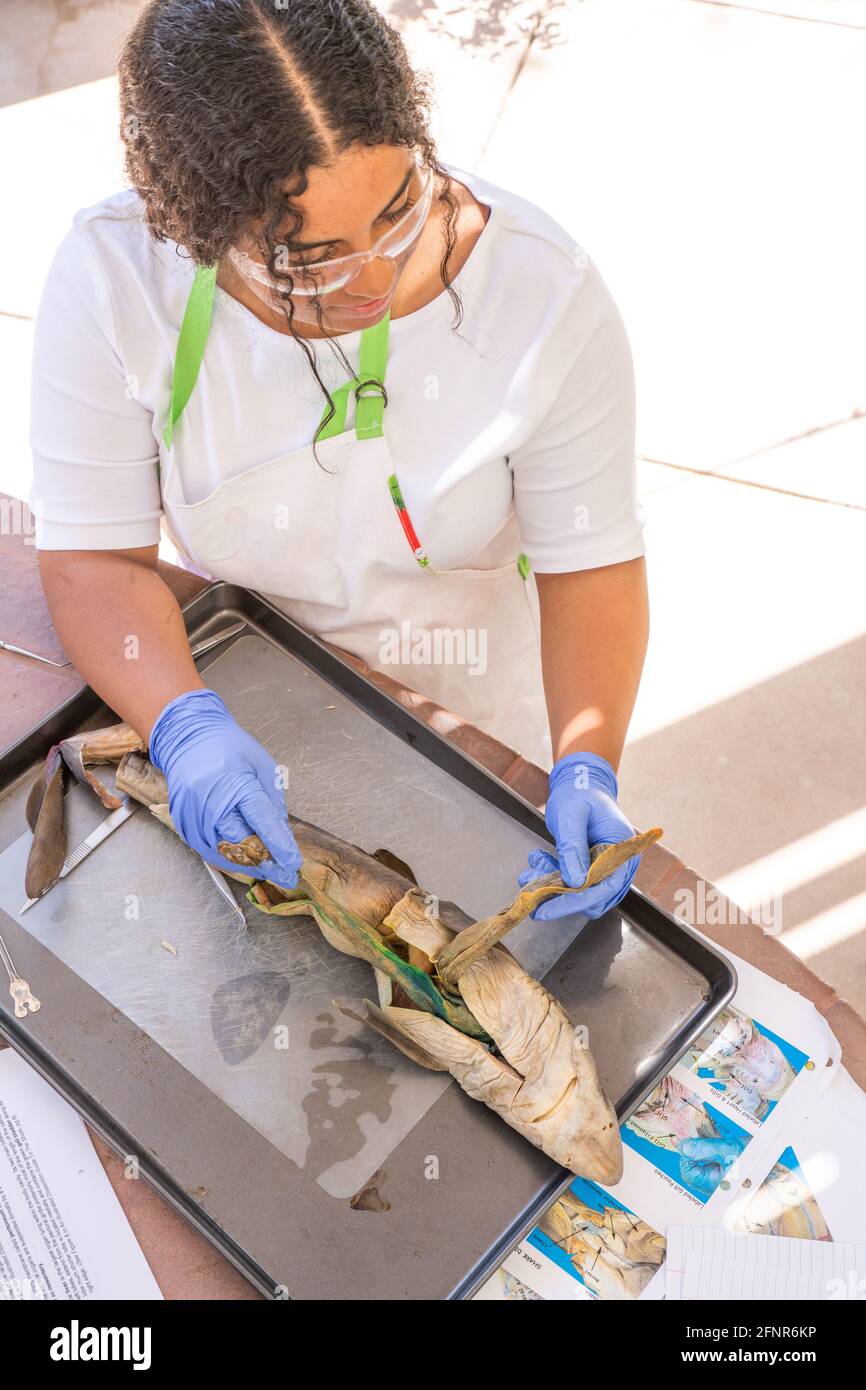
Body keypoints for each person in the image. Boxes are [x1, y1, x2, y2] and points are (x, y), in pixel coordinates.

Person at [30, 0, 649, 917]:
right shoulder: (114, 279)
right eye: (307, 256)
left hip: (476, 708)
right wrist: (183, 724)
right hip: (244, 695)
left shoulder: (545, 294)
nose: (372, 275)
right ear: (200, 227)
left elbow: (590, 563)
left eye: (401, 210)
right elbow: (95, 560)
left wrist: (587, 759)